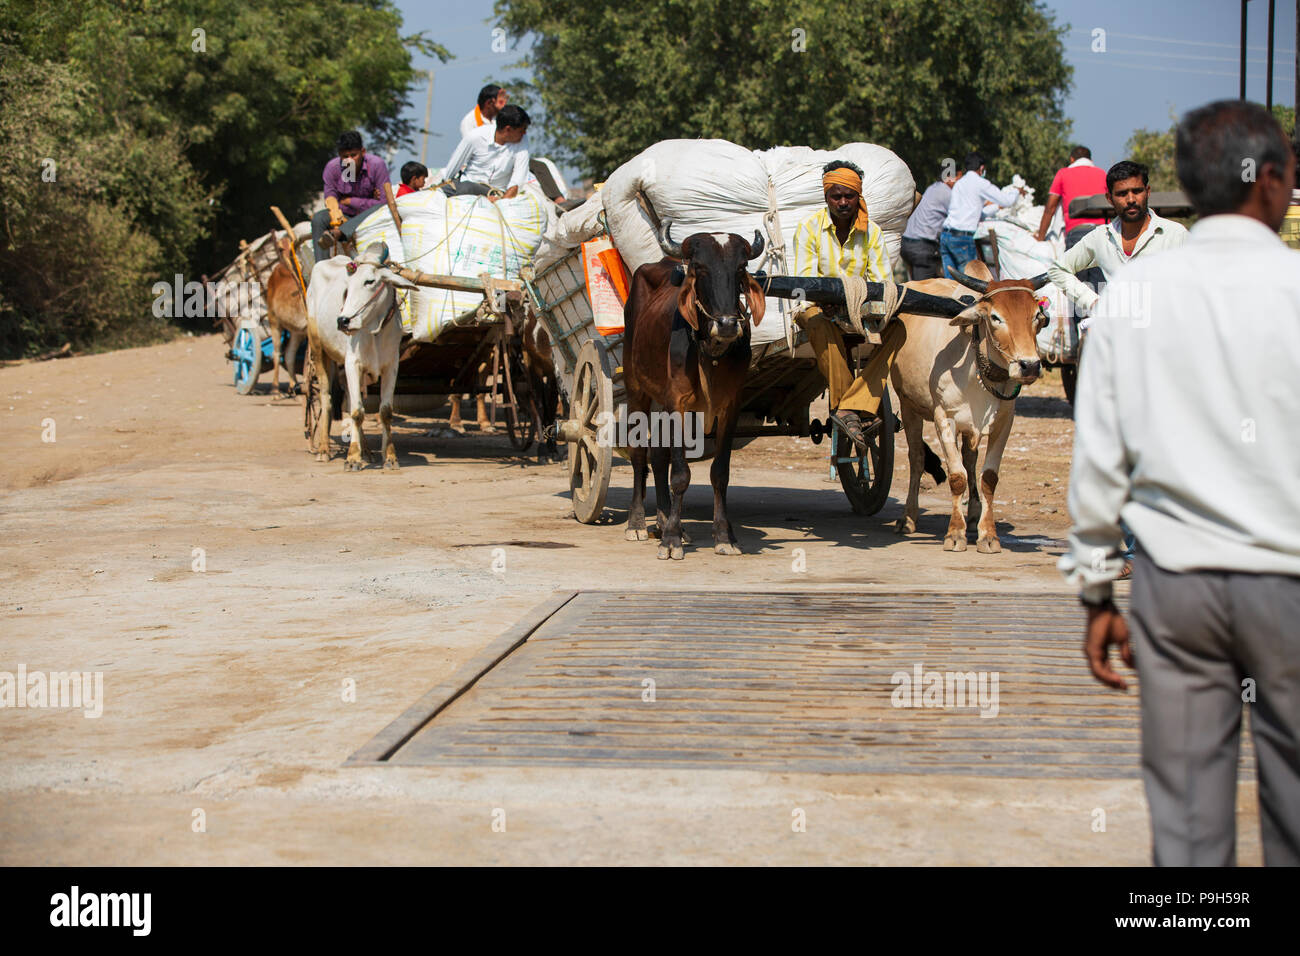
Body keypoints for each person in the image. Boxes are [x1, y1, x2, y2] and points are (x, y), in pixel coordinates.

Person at [1060, 99, 1300, 866]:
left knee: (1190, 822)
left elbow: (1098, 457)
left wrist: (1097, 589)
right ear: (1266, 180)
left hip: (1176, 590)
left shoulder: (1135, 295)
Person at [793, 161, 945, 484]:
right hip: (820, 311)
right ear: (827, 195)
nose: (843, 202)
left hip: (858, 315)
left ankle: (850, 406)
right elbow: (805, 287)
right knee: (817, 321)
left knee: (899, 329)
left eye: (849, 196)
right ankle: (852, 406)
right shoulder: (808, 229)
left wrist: (867, 309)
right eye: (836, 196)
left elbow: (882, 284)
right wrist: (833, 303)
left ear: (858, 196)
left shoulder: (871, 233)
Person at [1046, 160, 1188, 322]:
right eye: (1122, 194)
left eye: (1137, 191)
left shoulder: (1175, 235)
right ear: (1109, 198)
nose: (1131, 199)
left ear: (1147, 192)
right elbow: (1058, 269)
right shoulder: (1100, 237)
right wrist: (1093, 302)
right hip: (1118, 337)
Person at [1036, 146, 1108, 303]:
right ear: (1091, 159)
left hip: (1076, 233)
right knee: (1100, 286)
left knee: (1078, 287)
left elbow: (1051, 208)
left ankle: (1080, 325)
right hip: (1102, 233)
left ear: (1071, 159)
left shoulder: (1063, 173)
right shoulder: (1102, 174)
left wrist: (1040, 237)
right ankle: (1101, 323)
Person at [938, 152, 1025, 279]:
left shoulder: (959, 184)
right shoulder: (981, 183)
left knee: (950, 284)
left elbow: (976, 213)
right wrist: (1017, 191)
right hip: (962, 239)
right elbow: (1007, 201)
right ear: (982, 168)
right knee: (970, 282)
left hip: (946, 235)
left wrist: (996, 207)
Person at [311, 131, 391, 264]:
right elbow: (330, 197)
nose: (349, 160)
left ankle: (340, 233)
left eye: (353, 155)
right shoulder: (332, 168)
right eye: (345, 156)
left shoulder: (377, 165)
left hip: (369, 217)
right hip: (343, 216)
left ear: (363, 152)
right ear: (339, 156)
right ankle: (321, 267)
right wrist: (336, 212)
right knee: (318, 219)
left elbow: (383, 202)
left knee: (380, 206)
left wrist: (351, 201)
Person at [439, 105, 531, 201]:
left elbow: (518, 179)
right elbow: (454, 166)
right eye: (522, 130)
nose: (524, 134)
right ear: (508, 129)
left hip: (496, 191)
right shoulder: (475, 136)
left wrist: (502, 201)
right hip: (469, 185)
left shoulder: (522, 141)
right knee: (441, 193)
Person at [900, 163, 958, 279]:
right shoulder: (946, 193)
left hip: (907, 243)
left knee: (917, 286)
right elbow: (960, 215)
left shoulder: (933, 188)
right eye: (959, 177)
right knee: (923, 293)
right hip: (922, 248)